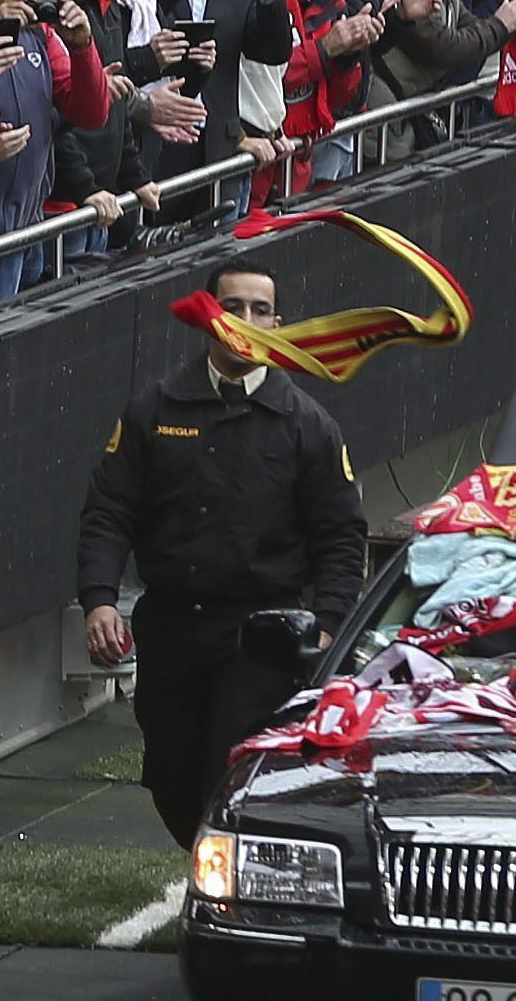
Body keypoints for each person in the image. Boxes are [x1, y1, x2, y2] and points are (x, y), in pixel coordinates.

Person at [77, 257, 368, 845]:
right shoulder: (154, 409)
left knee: (232, 768)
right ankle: (207, 860)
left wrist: (330, 627)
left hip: (262, 637)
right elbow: (109, 511)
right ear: (209, 317)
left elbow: (341, 536)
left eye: (261, 310)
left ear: (277, 324)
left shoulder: (307, 425)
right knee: (171, 772)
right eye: (233, 307)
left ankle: (226, 892)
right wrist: (99, 600)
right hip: (171, 629)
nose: (246, 319)